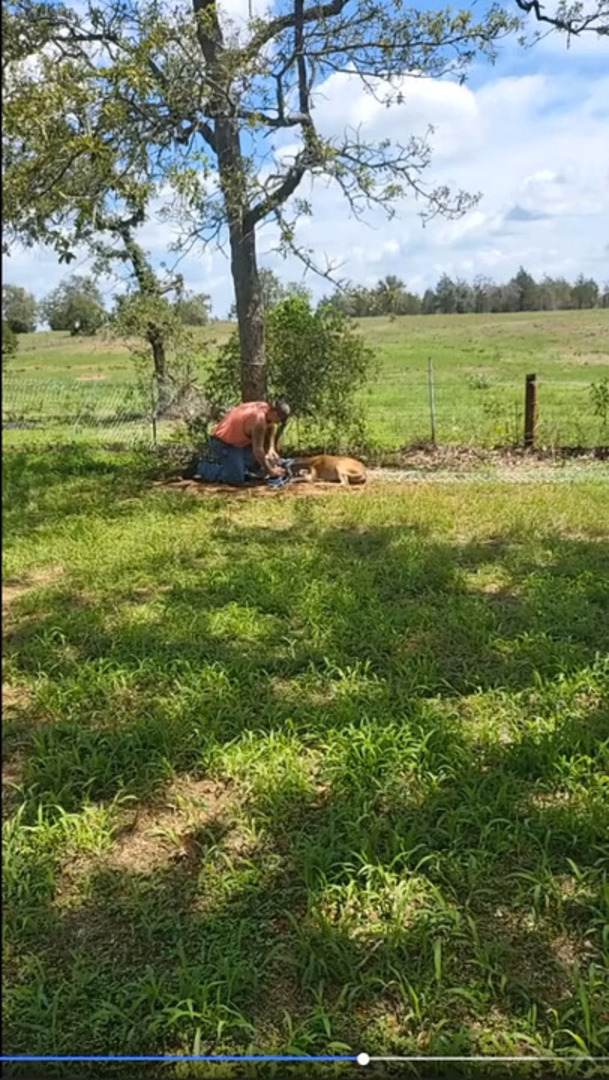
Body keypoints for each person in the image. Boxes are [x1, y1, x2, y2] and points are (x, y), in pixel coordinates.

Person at [196, 399, 291, 486]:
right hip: (223, 444)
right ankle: (202, 468)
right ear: (275, 413)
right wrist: (271, 471)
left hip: (238, 444)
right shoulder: (259, 421)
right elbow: (258, 451)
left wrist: (271, 448)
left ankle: (239, 465)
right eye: (281, 419)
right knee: (235, 479)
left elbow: (271, 426)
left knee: (257, 463)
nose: (279, 422)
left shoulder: (265, 408)